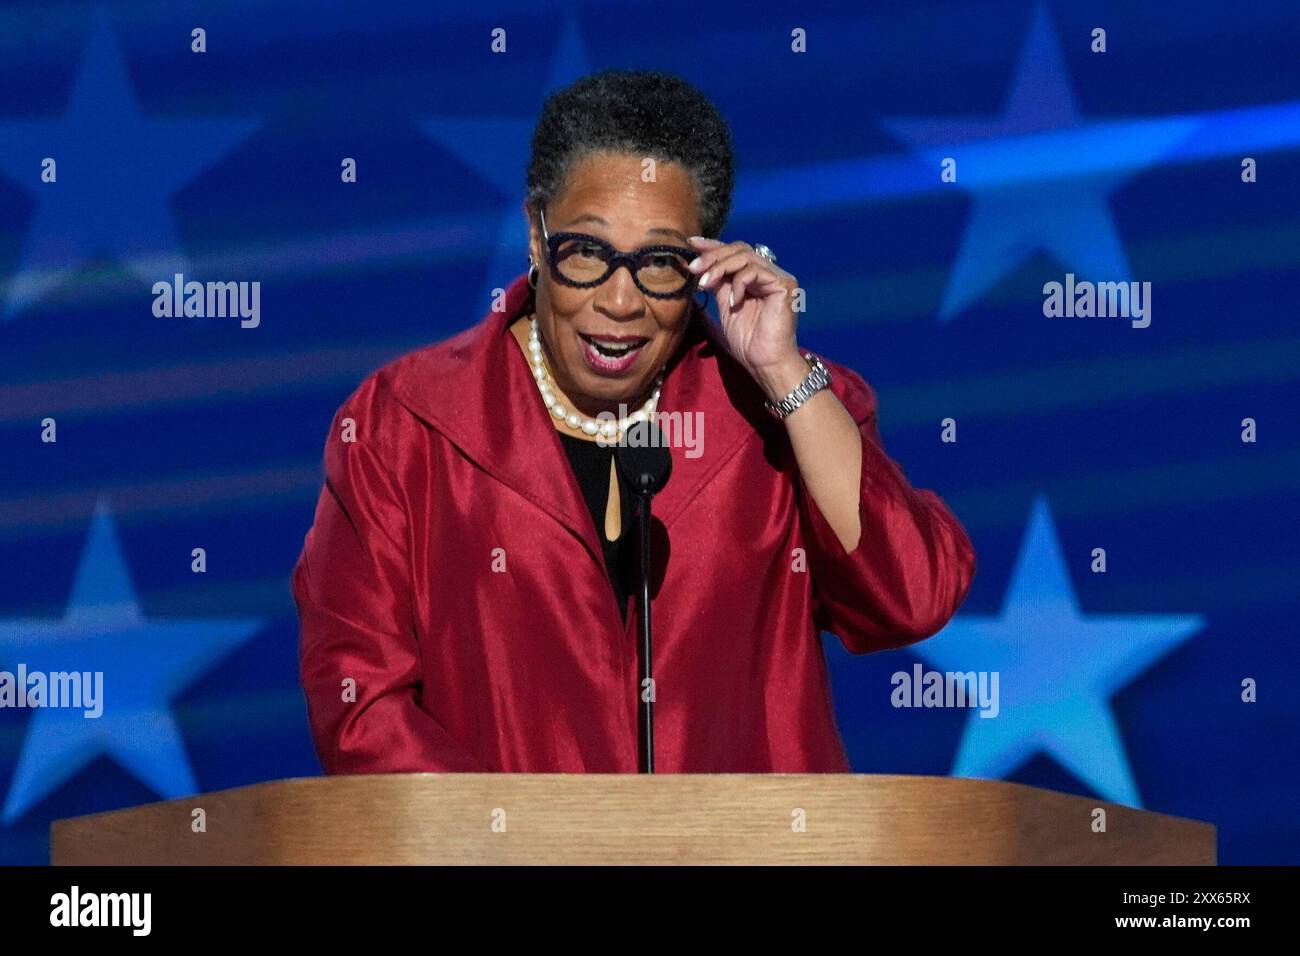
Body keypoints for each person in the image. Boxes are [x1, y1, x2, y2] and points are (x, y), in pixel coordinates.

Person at [292, 70, 976, 774]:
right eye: (586, 253)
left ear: (706, 262)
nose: (621, 301)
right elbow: (361, 709)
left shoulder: (774, 415)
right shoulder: (404, 427)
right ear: (536, 234)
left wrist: (782, 372)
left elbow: (911, 598)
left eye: (659, 262)